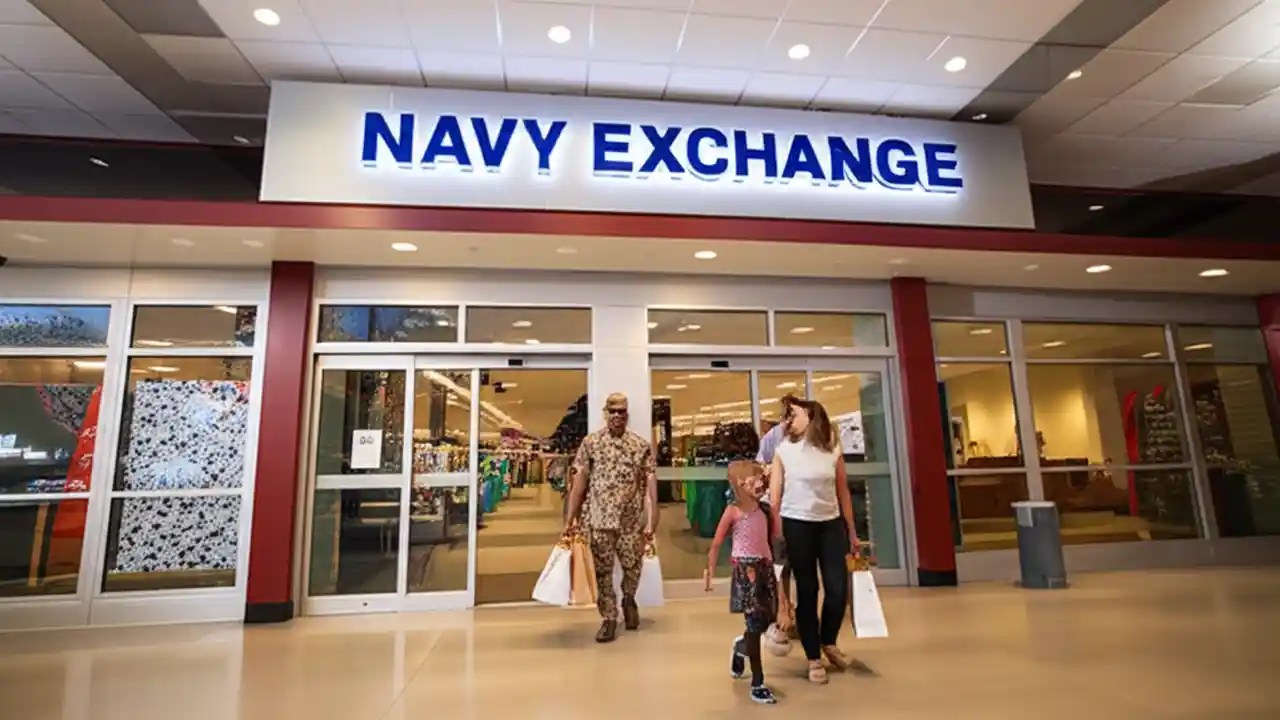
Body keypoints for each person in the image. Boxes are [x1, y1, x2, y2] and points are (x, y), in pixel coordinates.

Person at [768, 399, 860, 684]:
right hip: (797, 524)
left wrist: (852, 532)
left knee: (837, 588)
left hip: (831, 524)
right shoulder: (784, 450)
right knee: (807, 591)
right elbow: (775, 498)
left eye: (793, 414)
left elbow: (842, 491)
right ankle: (812, 657)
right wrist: (777, 534)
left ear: (811, 414)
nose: (788, 420)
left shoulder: (832, 446)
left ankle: (828, 640)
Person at [565, 393, 657, 643]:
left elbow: (649, 483)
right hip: (599, 520)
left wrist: (652, 519)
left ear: (627, 414)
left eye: (622, 412)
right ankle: (609, 618)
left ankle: (629, 598)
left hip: (630, 521)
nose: (617, 416)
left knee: (633, 566)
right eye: (613, 411)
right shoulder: (591, 443)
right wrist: (569, 519)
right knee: (602, 572)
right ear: (606, 413)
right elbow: (579, 482)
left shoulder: (639, 445)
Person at [706, 460, 778, 705]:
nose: (759, 484)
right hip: (745, 571)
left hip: (765, 568)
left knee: (768, 619)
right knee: (755, 625)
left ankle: (741, 645)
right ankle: (757, 682)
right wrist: (710, 571)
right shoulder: (733, 512)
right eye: (754, 479)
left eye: (761, 479)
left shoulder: (766, 511)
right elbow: (716, 543)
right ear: (739, 483)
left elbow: (775, 539)